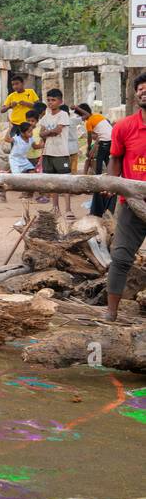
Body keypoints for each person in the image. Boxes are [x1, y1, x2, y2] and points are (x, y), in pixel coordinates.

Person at [104, 74, 146, 321]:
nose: (144, 91)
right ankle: (111, 313)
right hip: (131, 203)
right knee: (120, 257)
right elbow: (115, 158)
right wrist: (112, 182)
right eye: (140, 88)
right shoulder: (123, 126)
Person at [38, 88, 74, 220]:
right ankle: (55, 208)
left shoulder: (63, 114)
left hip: (61, 153)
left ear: (60, 101)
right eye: (48, 100)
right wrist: (50, 132)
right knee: (52, 183)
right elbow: (41, 133)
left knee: (65, 182)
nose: (50, 102)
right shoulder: (45, 117)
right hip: (48, 153)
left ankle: (68, 209)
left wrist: (48, 132)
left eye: (53, 100)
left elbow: (58, 130)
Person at [74, 103, 114, 217]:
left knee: (100, 159)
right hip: (111, 139)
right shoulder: (98, 116)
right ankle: (110, 175)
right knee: (106, 158)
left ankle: (98, 179)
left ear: (83, 114)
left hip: (105, 141)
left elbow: (90, 137)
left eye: (81, 116)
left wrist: (88, 147)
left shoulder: (89, 122)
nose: (81, 118)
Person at [8, 121, 38, 200]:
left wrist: (43, 142)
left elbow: (35, 147)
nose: (31, 133)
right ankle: (2, 192)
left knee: (33, 174)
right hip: (14, 160)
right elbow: (6, 139)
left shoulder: (31, 139)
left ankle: (30, 193)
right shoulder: (17, 139)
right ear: (22, 133)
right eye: (29, 131)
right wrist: (9, 129)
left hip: (24, 159)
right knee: (17, 179)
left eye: (32, 131)